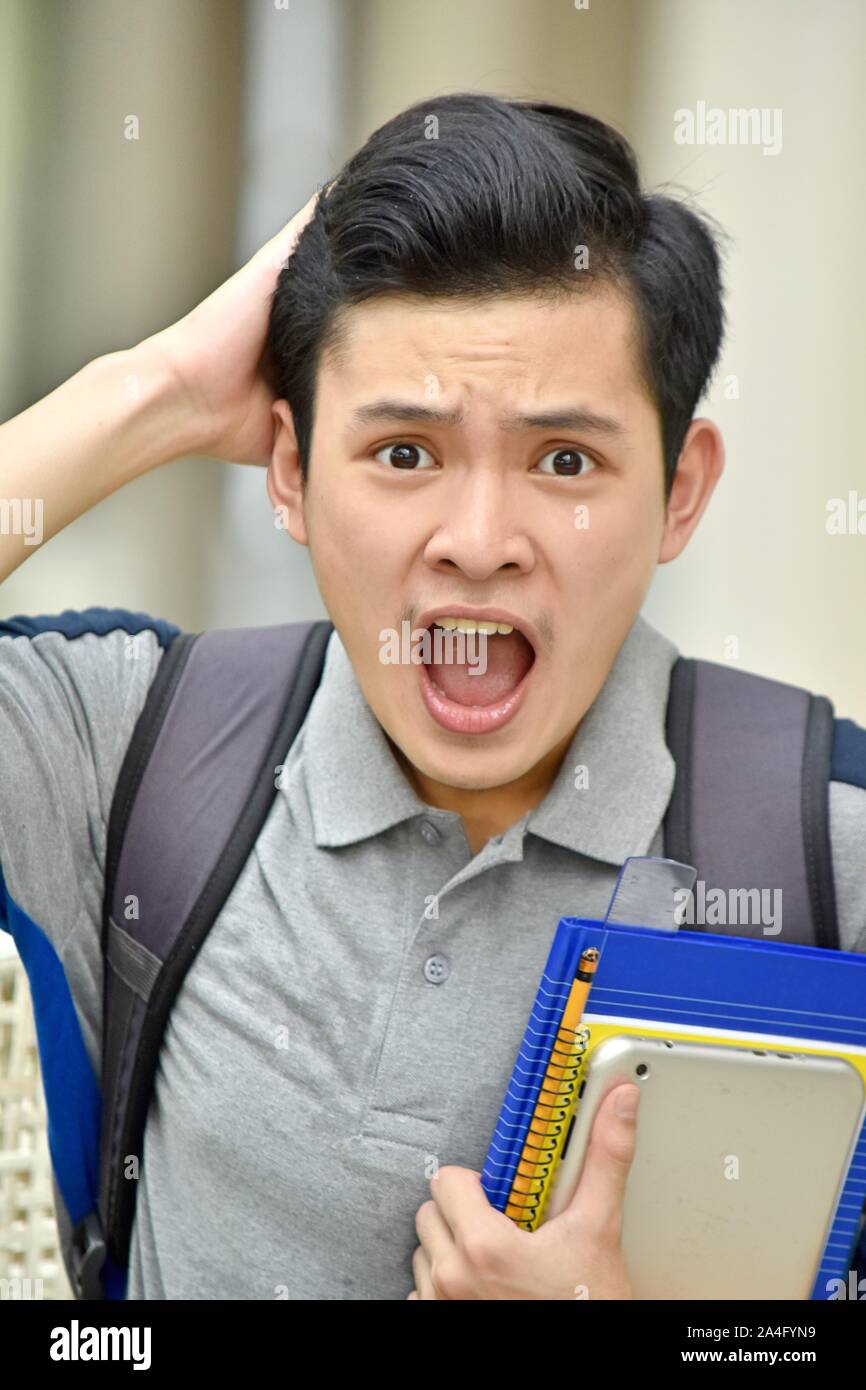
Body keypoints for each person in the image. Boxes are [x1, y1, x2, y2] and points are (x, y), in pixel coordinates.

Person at [1, 93, 863, 1301]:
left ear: (678, 489)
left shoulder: (830, 845)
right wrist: (158, 391)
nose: (477, 538)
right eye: (403, 452)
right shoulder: (133, 748)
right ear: (290, 470)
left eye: (564, 459)